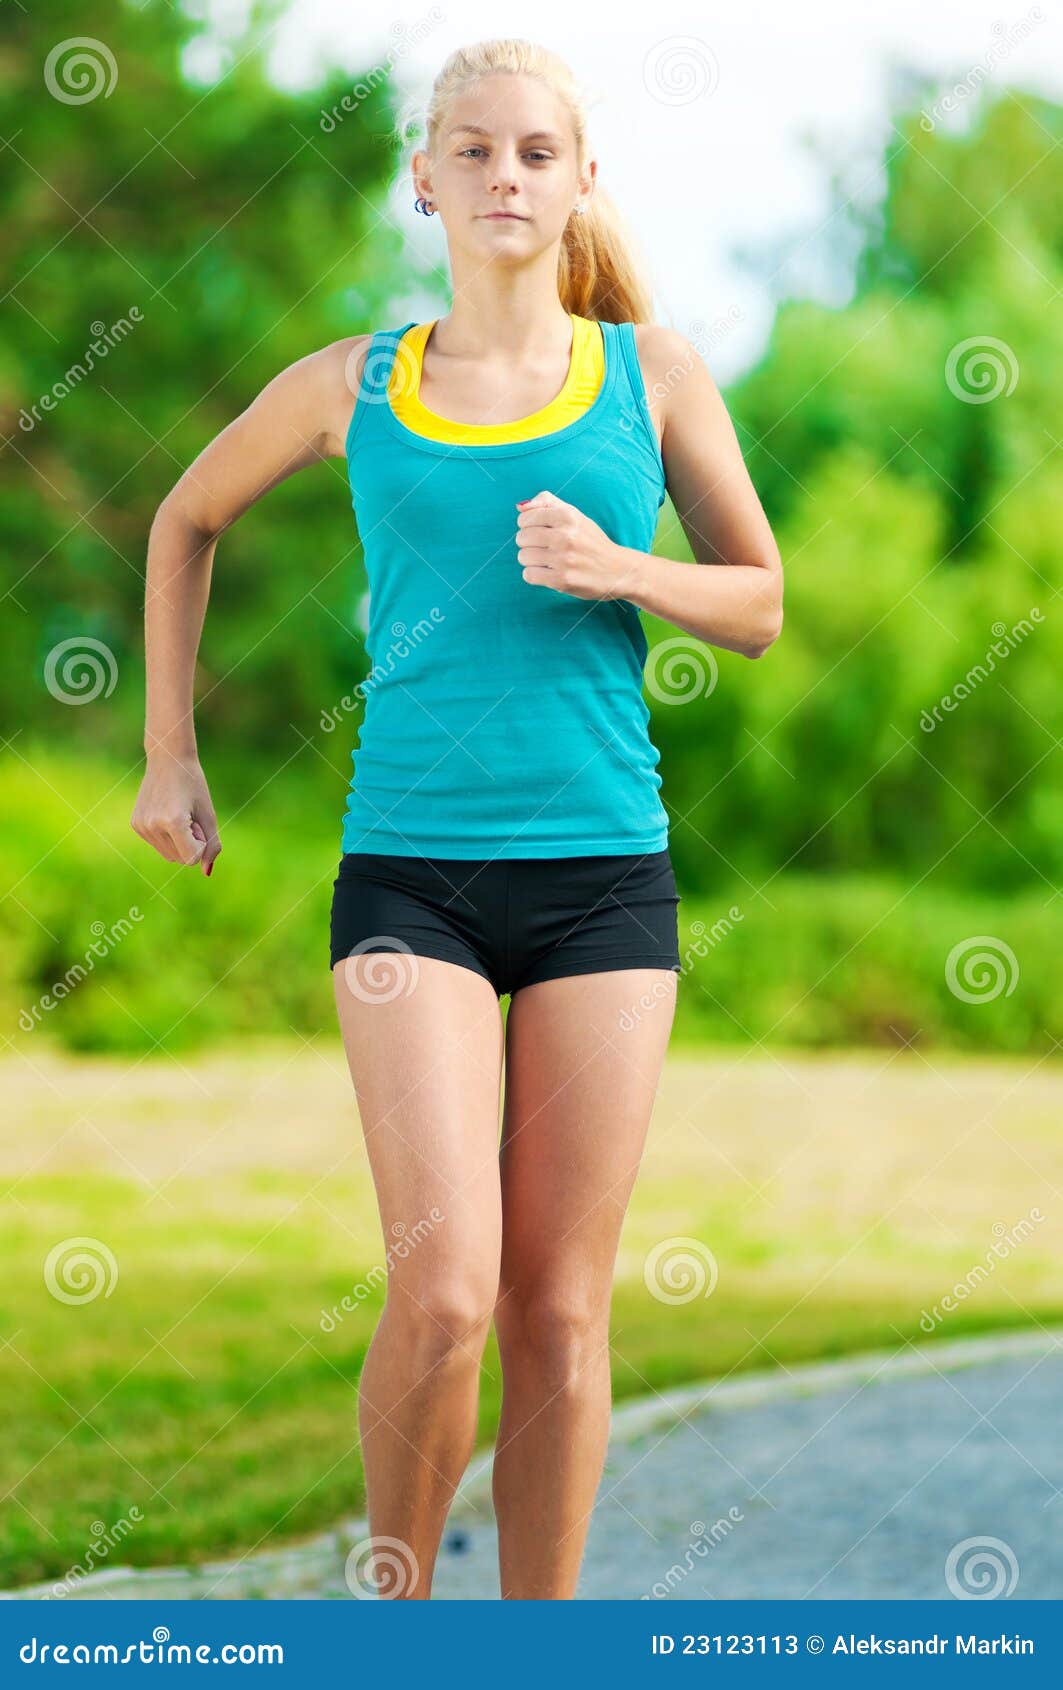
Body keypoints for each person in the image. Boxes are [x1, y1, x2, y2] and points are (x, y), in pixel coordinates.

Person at [131, 36, 782, 1600]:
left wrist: (626, 571)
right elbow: (185, 515)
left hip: (603, 885)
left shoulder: (654, 374)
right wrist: (171, 753)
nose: (504, 176)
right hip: (410, 875)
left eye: (535, 154)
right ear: (424, 178)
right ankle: (393, 1616)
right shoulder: (353, 385)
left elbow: (757, 601)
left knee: (559, 1309)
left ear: (579, 181)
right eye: (473, 151)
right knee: (441, 1293)